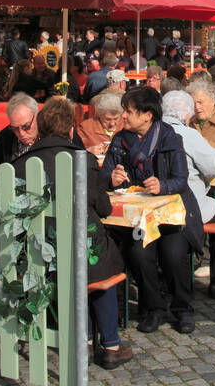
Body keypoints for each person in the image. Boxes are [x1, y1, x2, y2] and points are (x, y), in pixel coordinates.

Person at [14, 97, 132, 368]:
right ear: (71, 131)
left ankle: (86, 341)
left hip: (41, 248)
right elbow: (102, 207)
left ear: (40, 129)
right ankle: (110, 344)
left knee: (91, 260)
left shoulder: (22, 164)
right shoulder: (85, 160)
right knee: (102, 263)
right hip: (83, 245)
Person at [103, 86, 203, 334]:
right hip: (138, 218)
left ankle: (182, 307)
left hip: (171, 215)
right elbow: (106, 173)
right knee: (139, 253)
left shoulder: (169, 137)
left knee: (173, 254)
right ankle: (153, 307)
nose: (123, 116)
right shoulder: (120, 140)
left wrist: (162, 185)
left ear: (147, 115)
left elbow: (181, 179)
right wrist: (112, 178)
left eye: (129, 111)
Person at [161, 90, 215, 299]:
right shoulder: (188, 134)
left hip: (158, 203)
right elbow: (214, 166)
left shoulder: (153, 130)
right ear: (186, 114)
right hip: (189, 205)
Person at [0, 93, 39, 165]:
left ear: (37, 116)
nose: (21, 133)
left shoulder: (49, 135)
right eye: (15, 128)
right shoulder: (5, 137)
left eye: (26, 126)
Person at [78, 91, 123, 157]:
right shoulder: (85, 128)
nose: (112, 124)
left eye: (116, 119)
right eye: (108, 119)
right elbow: (76, 152)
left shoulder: (126, 126)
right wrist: (88, 151)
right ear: (99, 115)